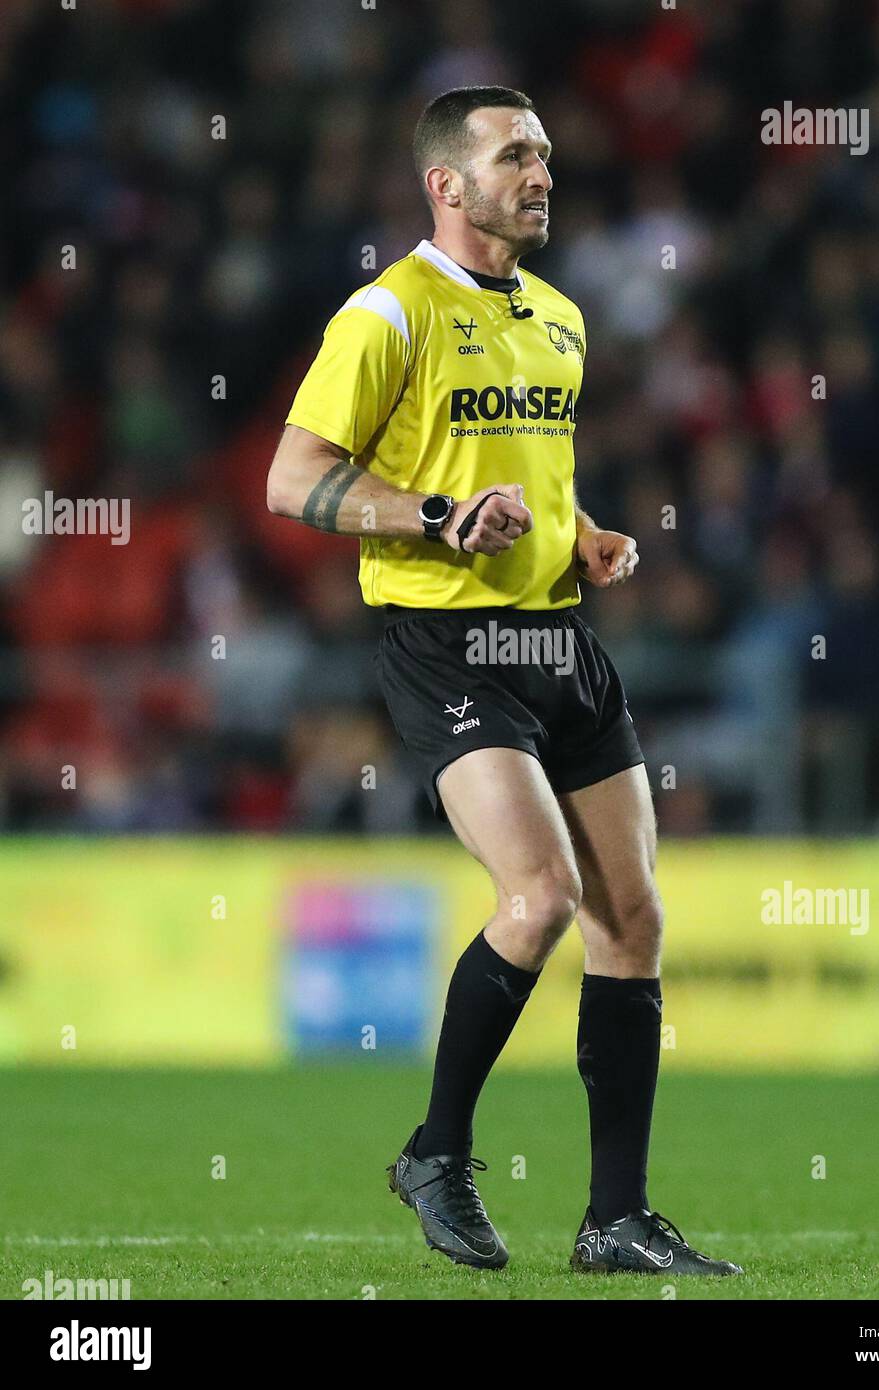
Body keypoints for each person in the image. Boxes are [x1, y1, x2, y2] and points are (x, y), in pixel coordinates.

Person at [267, 85, 741, 1278]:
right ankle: (435, 1150)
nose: (539, 173)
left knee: (629, 919)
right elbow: (292, 479)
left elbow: (531, 466)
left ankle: (615, 1218)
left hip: (560, 640)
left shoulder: (562, 319)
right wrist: (432, 515)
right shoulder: (384, 316)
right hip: (446, 644)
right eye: (513, 155)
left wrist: (579, 534)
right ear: (447, 183)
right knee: (534, 897)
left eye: (544, 153)